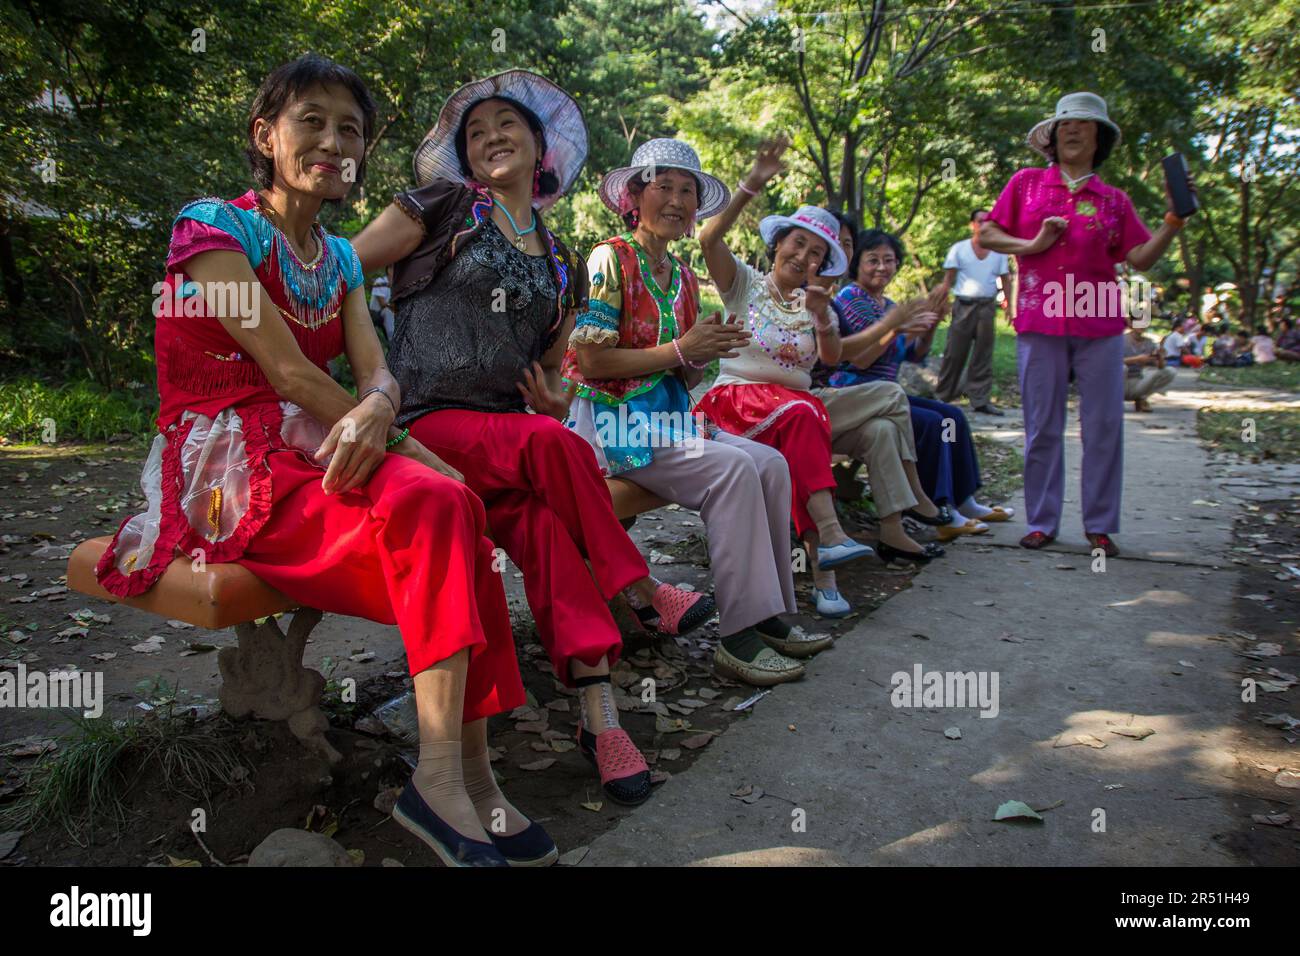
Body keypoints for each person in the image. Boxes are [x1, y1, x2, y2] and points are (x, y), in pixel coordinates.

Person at [95, 55, 536, 867]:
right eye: (314, 121)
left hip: (311, 442)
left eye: (352, 130)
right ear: (266, 135)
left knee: (459, 519)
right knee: (446, 504)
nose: (335, 142)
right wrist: (405, 441)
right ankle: (443, 780)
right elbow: (287, 372)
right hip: (222, 468)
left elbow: (375, 370)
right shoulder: (210, 230)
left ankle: (466, 773)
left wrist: (378, 406)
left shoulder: (337, 259)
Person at [352, 71, 712, 811]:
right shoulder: (445, 205)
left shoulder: (558, 256)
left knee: (549, 530)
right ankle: (640, 589)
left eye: (505, 125)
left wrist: (559, 396)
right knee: (558, 448)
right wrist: (368, 384)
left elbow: (556, 374)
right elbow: (339, 271)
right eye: (474, 130)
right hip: (423, 428)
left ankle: (598, 718)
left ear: (540, 147)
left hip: (500, 447)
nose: (489, 136)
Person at [562, 137, 830, 686]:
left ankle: (769, 615)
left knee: (770, 464)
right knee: (732, 470)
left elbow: (681, 372)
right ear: (635, 196)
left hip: (670, 422)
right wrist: (684, 350)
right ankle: (737, 639)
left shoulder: (684, 277)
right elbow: (590, 359)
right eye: (665, 188)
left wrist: (707, 349)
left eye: (688, 191)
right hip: (616, 426)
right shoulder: (610, 258)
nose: (678, 201)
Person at [979, 92, 1196, 557]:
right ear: (1052, 139)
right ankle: (1041, 521)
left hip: (1099, 321)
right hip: (1040, 320)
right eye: (1064, 125)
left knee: (1103, 426)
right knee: (1042, 426)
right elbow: (990, 233)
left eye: (1083, 124)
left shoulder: (1115, 201)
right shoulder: (1026, 184)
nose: (1072, 130)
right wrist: (1034, 242)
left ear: (1100, 138)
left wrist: (1173, 225)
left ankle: (1099, 525)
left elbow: (1139, 257)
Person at [695, 137, 879, 618]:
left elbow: (834, 358)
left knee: (801, 429)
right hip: (734, 402)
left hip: (792, 414)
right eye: (798, 243)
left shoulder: (814, 305)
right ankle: (829, 554)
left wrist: (821, 316)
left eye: (816, 252)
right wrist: (752, 184)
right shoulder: (744, 284)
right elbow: (708, 239)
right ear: (778, 244)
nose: (804, 256)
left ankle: (824, 565)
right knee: (804, 416)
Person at [827, 228, 1010, 542]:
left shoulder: (888, 304)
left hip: (889, 394)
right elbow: (862, 359)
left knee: (953, 416)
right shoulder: (851, 300)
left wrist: (932, 322)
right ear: (857, 264)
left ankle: (964, 501)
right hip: (857, 393)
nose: (882, 267)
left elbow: (913, 353)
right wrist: (895, 326)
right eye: (873, 260)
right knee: (932, 424)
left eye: (889, 260)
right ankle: (938, 509)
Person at [932, 209, 1013, 415]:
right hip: (963, 305)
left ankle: (980, 400)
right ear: (972, 225)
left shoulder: (998, 252)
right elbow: (948, 280)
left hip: (986, 307)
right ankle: (943, 396)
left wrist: (1010, 307)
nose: (983, 225)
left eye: (987, 222)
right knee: (954, 351)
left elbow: (1006, 280)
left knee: (983, 354)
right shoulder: (959, 249)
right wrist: (942, 303)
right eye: (979, 221)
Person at [1121, 325, 1175, 412]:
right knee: (1122, 368)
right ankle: (1115, 401)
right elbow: (1111, 362)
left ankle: (1142, 398)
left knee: (1170, 371)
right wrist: (1136, 359)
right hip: (1121, 381)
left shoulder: (1150, 343)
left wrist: (1160, 357)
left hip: (1138, 381)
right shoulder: (1120, 340)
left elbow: (1160, 367)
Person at [367, 269, 394, 341]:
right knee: (389, 311)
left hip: (386, 312)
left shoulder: (395, 283)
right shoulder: (380, 282)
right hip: (376, 314)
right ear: (388, 270)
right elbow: (382, 304)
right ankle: (391, 337)